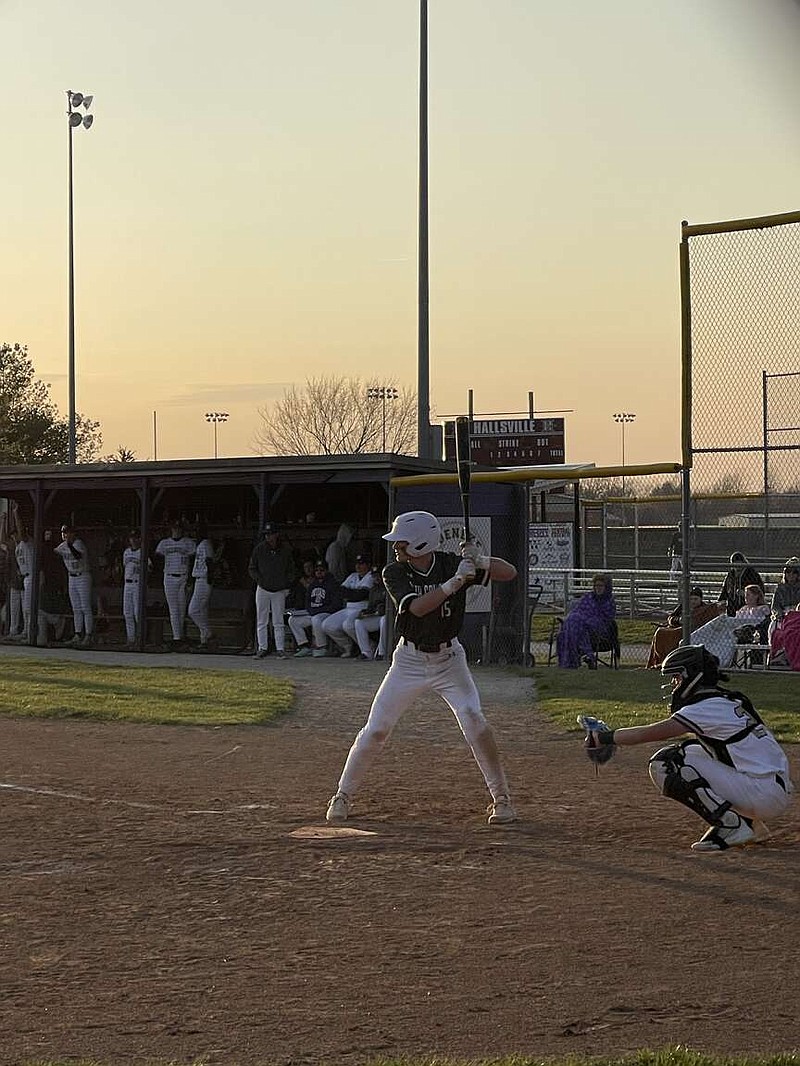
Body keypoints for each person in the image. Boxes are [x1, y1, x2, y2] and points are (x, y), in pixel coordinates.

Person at [325, 509, 518, 826]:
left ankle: (502, 799)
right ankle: (342, 795)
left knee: (474, 721)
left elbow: (509, 573)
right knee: (376, 730)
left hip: (449, 661)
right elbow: (416, 608)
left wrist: (480, 560)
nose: (396, 548)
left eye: (400, 543)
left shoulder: (447, 562)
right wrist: (456, 582)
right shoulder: (394, 572)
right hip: (409, 661)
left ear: (418, 544)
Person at [584, 644, 793, 852]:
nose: (675, 685)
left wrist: (603, 737)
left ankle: (731, 825)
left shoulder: (706, 707)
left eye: (677, 678)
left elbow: (645, 734)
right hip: (770, 787)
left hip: (761, 792)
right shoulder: (729, 699)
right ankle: (751, 825)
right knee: (693, 751)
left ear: (692, 676)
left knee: (666, 763)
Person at [690, 583, 770, 668]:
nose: (745, 597)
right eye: (745, 595)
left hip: (747, 632)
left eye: (748, 595)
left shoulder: (763, 608)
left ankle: (720, 660)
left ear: (756, 596)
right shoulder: (743, 609)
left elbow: (758, 622)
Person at [248, 521, 295, 659]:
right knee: (261, 619)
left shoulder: (285, 550)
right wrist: (260, 580)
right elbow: (252, 568)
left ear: (276, 535)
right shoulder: (259, 549)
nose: (269, 537)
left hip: (279, 589)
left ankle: (280, 649)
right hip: (263, 588)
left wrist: (286, 583)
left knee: (278, 620)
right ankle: (262, 648)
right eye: (267, 535)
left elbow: (291, 569)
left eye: (271, 534)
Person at [646, 586, 721, 669]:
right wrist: (678, 620)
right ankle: (661, 660)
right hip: (677, 627)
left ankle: (667, 661)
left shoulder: (705, 609)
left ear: (700, 599)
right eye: (691, 599)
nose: (693, 601)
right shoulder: (683, 606)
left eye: (696, 599)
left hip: (692, 631)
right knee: (660, 632)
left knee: (662, 633)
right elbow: (671, 617)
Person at [556, 573, 617, 669]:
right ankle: (584, 656)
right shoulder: (588, 597)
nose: (598, 588)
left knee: (576, 623)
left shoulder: (609, 601)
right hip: (580, 626)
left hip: (599, 629)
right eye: (596, 585)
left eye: (601, 585)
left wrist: (587, 619)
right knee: (573, 619)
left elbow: (607, 619)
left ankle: (578, 658)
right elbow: (578, 610)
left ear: (606, 587)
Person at [321, 554, 375, 657]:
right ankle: (348, 647)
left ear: (368, 565)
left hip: (362, 607)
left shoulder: (371, 576)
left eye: (362, 564)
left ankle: (369, 646)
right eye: (357, 564)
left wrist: (350, 593)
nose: (358, 566)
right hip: (348, 607)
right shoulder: (353, 576)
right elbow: (340, 592)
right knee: (327, 625)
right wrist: (352, 593)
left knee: (348, 625)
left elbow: (361, 595)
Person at [154, 520, 196, 649]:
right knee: (173, 609)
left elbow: (194, 559)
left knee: (182, 609)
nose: (176, 530)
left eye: (178, 528)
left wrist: (190, 579)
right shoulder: (164, 543)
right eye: (174, 528)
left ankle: (180, 636)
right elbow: (157, 559)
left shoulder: (188, 542)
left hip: (183, 576)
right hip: (169, 576)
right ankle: (176, 637)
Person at [290, 560, 343, 657]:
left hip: (326, 614)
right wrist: (310, 610)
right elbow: (308, 602)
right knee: (293, 620)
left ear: (326, 571)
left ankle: (322, 647)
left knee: (316, 619)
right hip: (313, 612)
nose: (319, 572)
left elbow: (335, 605)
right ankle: (304, 646)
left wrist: (318, 611)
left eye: (322, 570)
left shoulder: (332, 583)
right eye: (317, 570)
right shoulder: (313, 584)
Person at [54, 522, 94, 647]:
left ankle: (88, 635)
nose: (65, 535)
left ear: (73, 533)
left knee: (85, 607)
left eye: (68, 532)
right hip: (71, 577)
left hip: (83, 576)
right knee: (76, 608)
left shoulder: (78, 544)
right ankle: (78, 634)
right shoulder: (63, 545)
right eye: (64, 533)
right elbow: (54, 552)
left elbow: (77, 556)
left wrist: (69, 544)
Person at [188, 524, 220, 650]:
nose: (196, 535)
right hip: (199, 579)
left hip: (204, 580)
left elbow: (209, 562)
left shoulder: (205, 544)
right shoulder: (201, 544)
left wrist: (209, 580)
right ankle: (204, 640)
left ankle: (208, 633)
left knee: (193, 610)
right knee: (201, 611)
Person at [350, 567, 388, 660]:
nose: (377, 579)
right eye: (374, 576)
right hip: (376, 616)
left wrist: (383, 608)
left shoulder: (389, 587)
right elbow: (370, 607)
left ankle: (382, 652)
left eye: (378, 576)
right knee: (359, 622)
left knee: (384, 620)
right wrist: (365, 613)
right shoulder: (373, 589)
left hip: (387, 616)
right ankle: (366, 652)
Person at [121, 529, 146, 648]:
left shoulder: (142, 552)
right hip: (127, 584)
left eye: (136, 537)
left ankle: (139, 639)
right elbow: (124, 566)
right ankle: (130, 639)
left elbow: (149, 568)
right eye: (131, 538)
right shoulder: (126, 552)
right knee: (127, 612)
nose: (133, 540)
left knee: (137, 613)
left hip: (137, 583)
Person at [768, 557, 800, 646]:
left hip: (797, 615)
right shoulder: (780, 588)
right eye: (788, 571)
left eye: (795, 572)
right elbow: (775, 606)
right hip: (783, 615)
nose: (791, 574)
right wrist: (779, 613)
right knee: (773, 627)